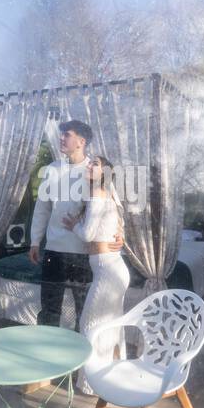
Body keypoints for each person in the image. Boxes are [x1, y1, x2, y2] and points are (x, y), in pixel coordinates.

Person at [28, 120, 121, 328]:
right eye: (61, 134)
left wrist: (119, 233)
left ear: (81, 141)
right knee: (50, 310)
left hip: (83, 253)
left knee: (84, 312)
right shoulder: (51, 169)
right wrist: (35, 241)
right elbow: (42, 208)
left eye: (66, 134)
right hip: (54, 251)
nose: (61, 138)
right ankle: (48, 355)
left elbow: (113, 204)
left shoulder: (95, 170)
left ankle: (82, 358)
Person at [62, 155, 130, 368]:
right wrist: (121, 236)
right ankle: (113, 370)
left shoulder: (98, 192)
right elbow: (119, 224)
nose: (90, 165)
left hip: (107, 270)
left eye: (96, 164)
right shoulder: (108, 193)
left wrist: (73, 226)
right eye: (90, 162)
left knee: (89, 324)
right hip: (113, 268)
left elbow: (88, 234)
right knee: (110, 325)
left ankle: (93, 380)